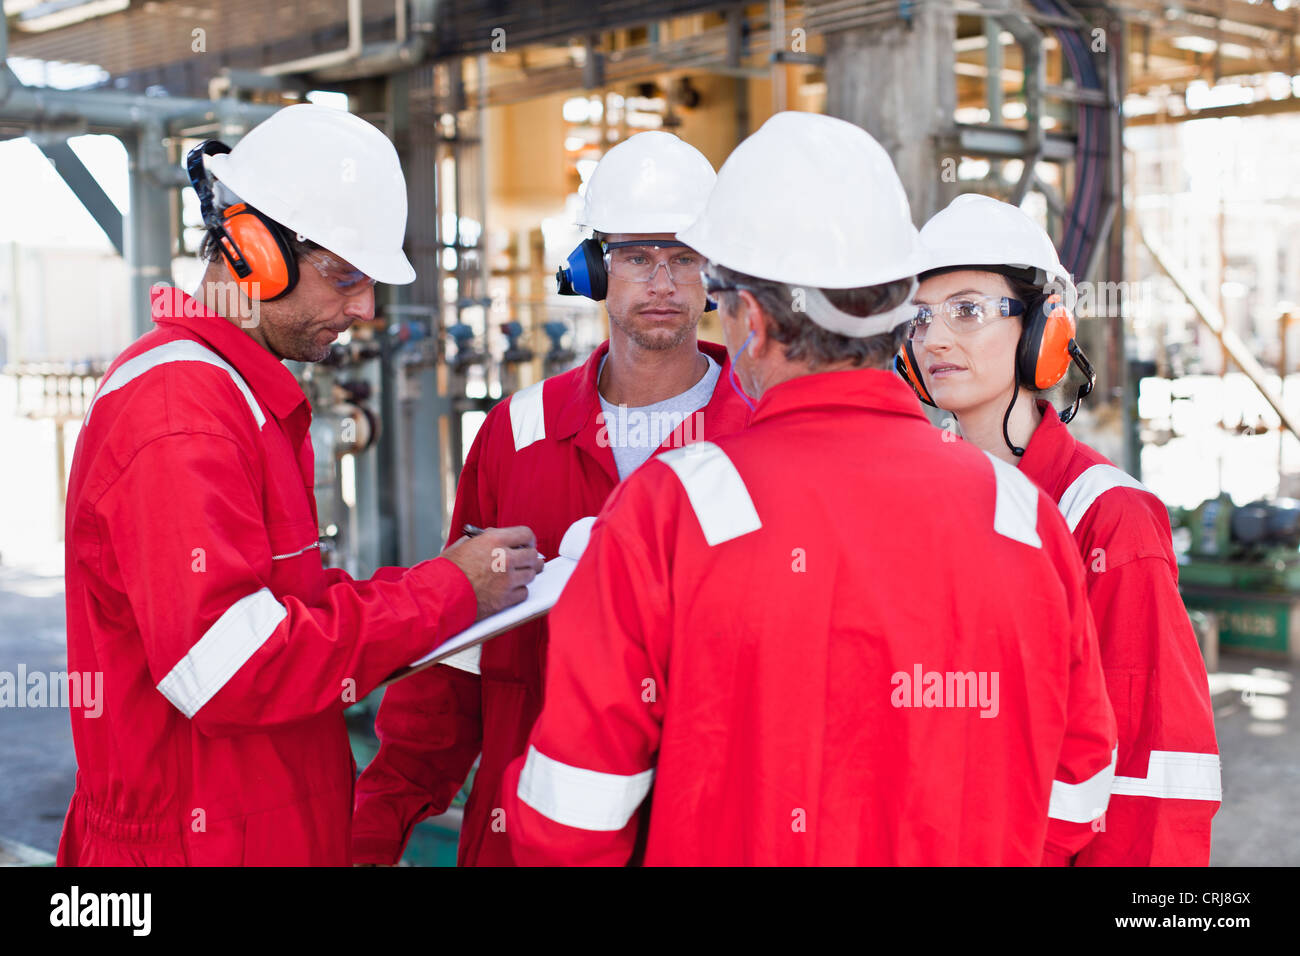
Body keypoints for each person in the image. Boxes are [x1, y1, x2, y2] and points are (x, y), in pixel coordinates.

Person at [498, 111, 1117, 866]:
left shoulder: (668, 513)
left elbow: (570, 828)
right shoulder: (1023, 516)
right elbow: (1077, 793)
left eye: (720, 302)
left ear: (751, 321)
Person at [58, 104, 542, 867]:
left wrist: (446, 587)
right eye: (345, 275)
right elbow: (229, 671)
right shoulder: (181, 412)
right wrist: (446, 594)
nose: (364, 309)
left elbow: (279, 614)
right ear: (252, 249)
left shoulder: (235, 398)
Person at [351, 130, 752, 866]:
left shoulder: (764, 438)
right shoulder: (519, 433)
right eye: (636, 257)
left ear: (717, 274)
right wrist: (379, 821)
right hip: (531, 836)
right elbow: (457, 650)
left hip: (705, 835)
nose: (662, 282)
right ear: (594, 267)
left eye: (685, 258)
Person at [897, 193, 1221, 865]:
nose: (934, 339)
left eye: (967, 309)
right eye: (919, 316)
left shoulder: (1107, 516)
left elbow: (1155, 767)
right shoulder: (917, 503)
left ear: (1045, 330)